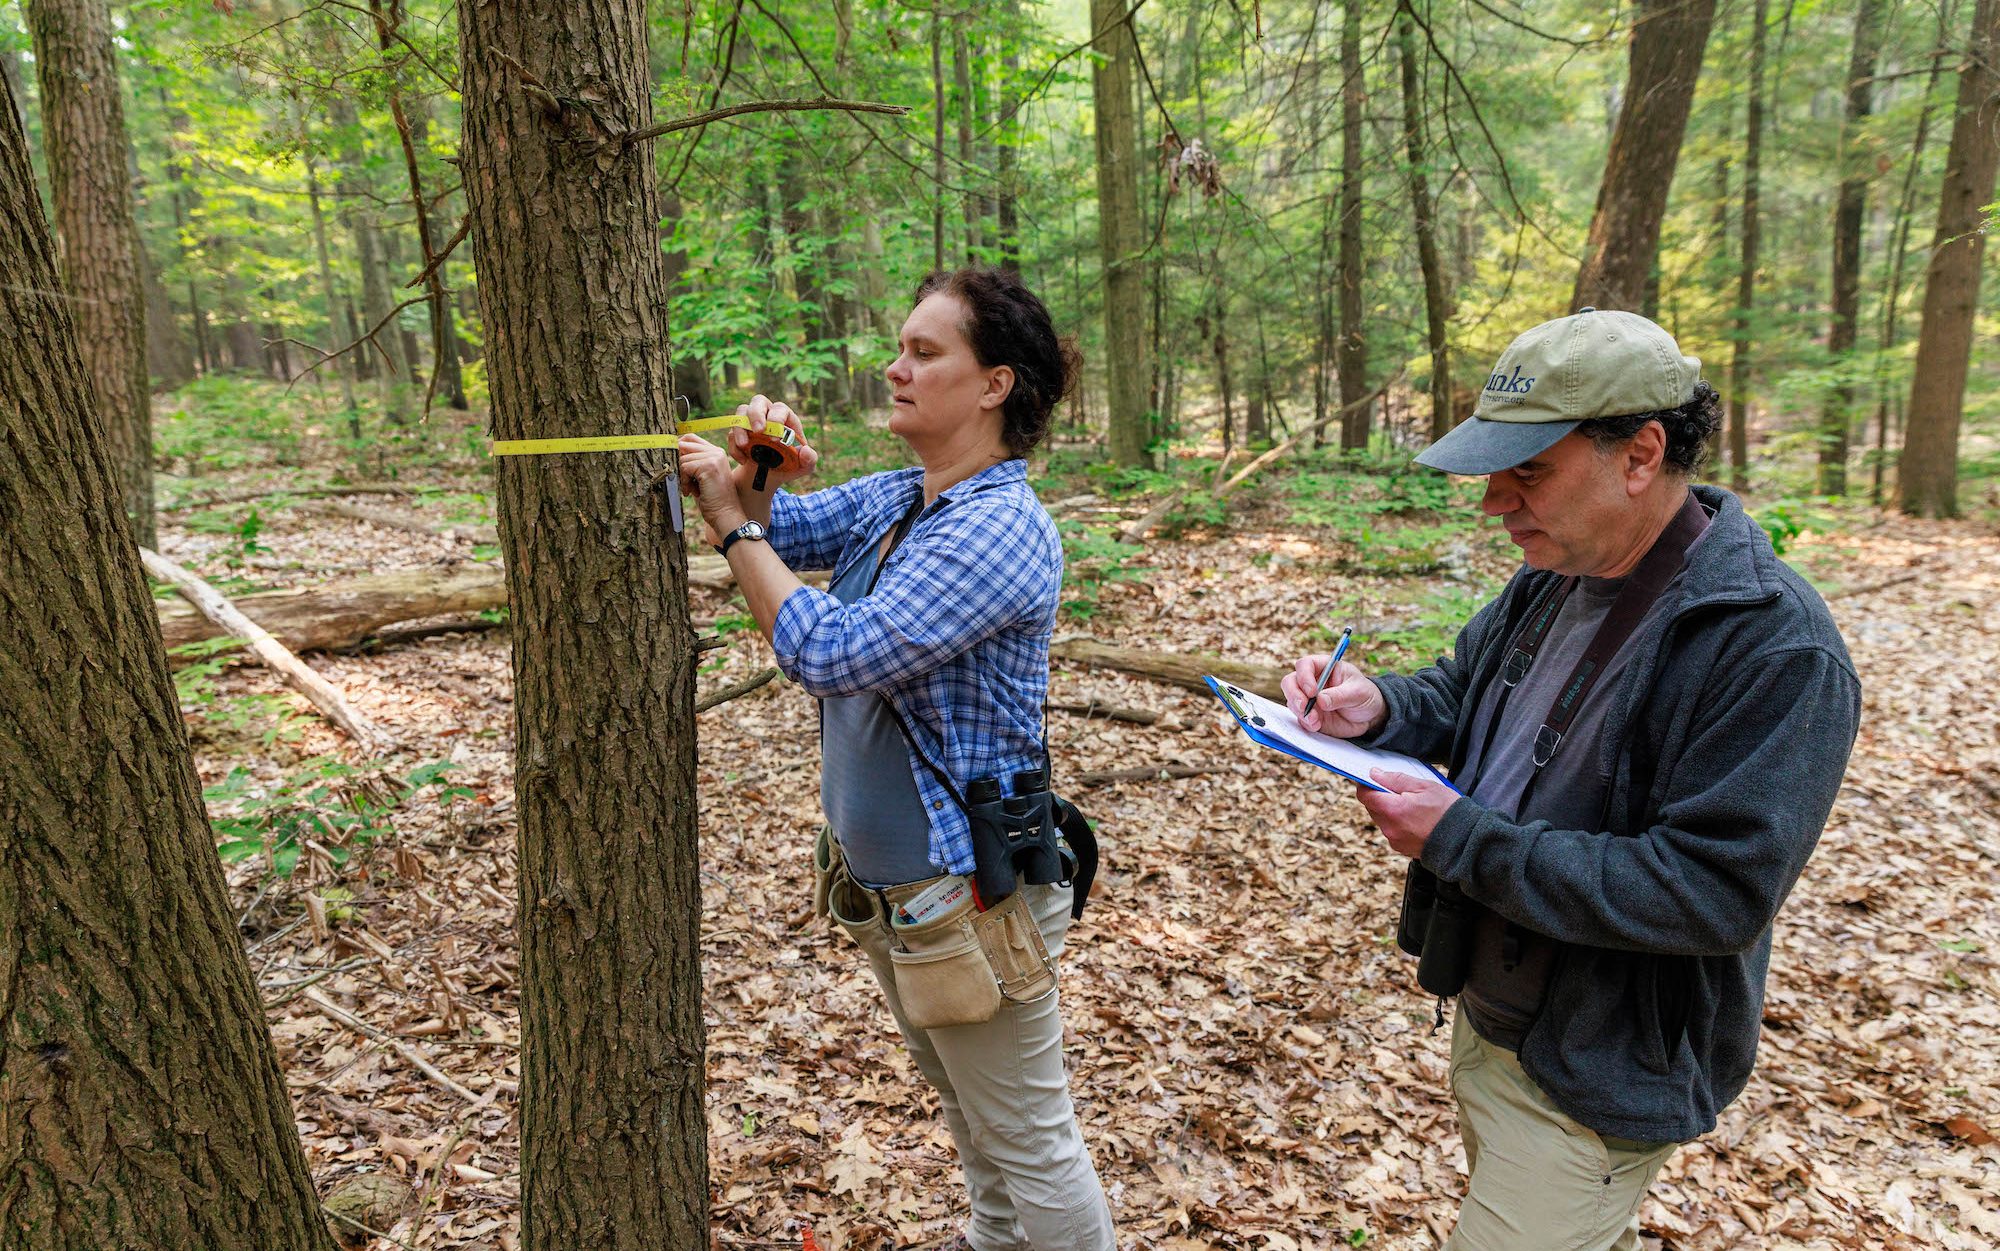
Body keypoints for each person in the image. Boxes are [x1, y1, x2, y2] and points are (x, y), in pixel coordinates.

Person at [1283, 308, 1860, 1250]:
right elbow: (1466, 688)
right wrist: (1378, 706)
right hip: (1498, 1009)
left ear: (1640, 453)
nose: (1494, 503)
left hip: (1597, 1067)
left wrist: (1460, 836)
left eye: (1530, 473)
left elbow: (1712, 893)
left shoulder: (1772, 646)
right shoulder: (1560, 569)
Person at [678, 267, 1115, 1251]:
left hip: (972, 895)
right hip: (902, 899)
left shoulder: (999, 528)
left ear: (993, 384)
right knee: (977, 1129)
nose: (893, 367)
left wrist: (733, 520)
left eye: (924, 352)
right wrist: (748, 472)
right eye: (899, 347)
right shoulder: (906, 498)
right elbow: (780, 531)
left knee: (1028, 1140)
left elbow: (831, 650)